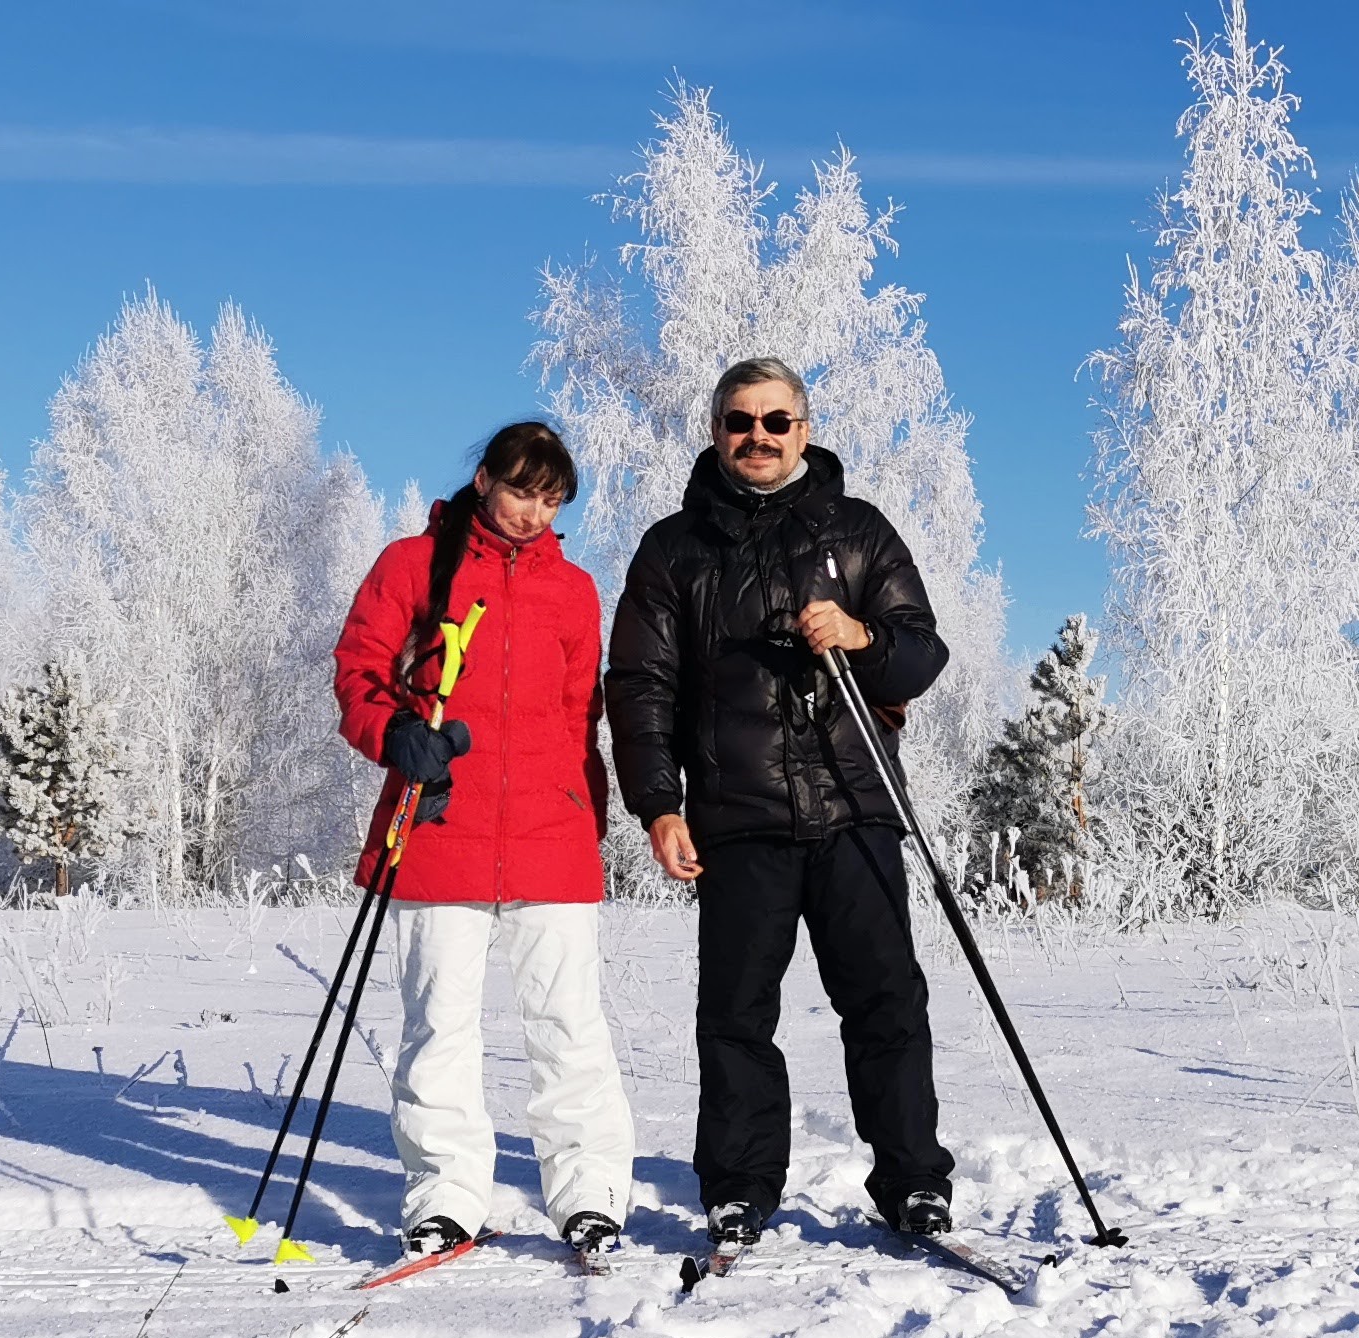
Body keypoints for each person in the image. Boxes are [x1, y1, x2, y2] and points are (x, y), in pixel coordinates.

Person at [604, 357, 956, 1253]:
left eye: (774, 421)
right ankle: (739, 1188)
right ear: (717, 431)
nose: (755, 437)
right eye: (738, 422)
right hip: (736, 811)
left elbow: (922, 653)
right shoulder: (673, 549)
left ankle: (914, 1182)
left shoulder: (859, 531)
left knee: (886, 1004)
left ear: (804, 428)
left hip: (856, 801)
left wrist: (861, 635)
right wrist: (658, 804)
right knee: (735, 1016)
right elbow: (640, 685)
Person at [331, 421, 637, 1264]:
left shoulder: (574, 590)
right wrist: (394, 733)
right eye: (520, 491)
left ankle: (590, 1194)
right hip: (437, 826)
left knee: (569, 1023)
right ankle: (446, 1197)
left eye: (552, 499)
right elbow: (358, 672)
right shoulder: (413, 565)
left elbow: (584, 716)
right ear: (483, 482)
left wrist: (590, 817)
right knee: (439, 1024)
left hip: (552, 832)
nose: (534, 513)